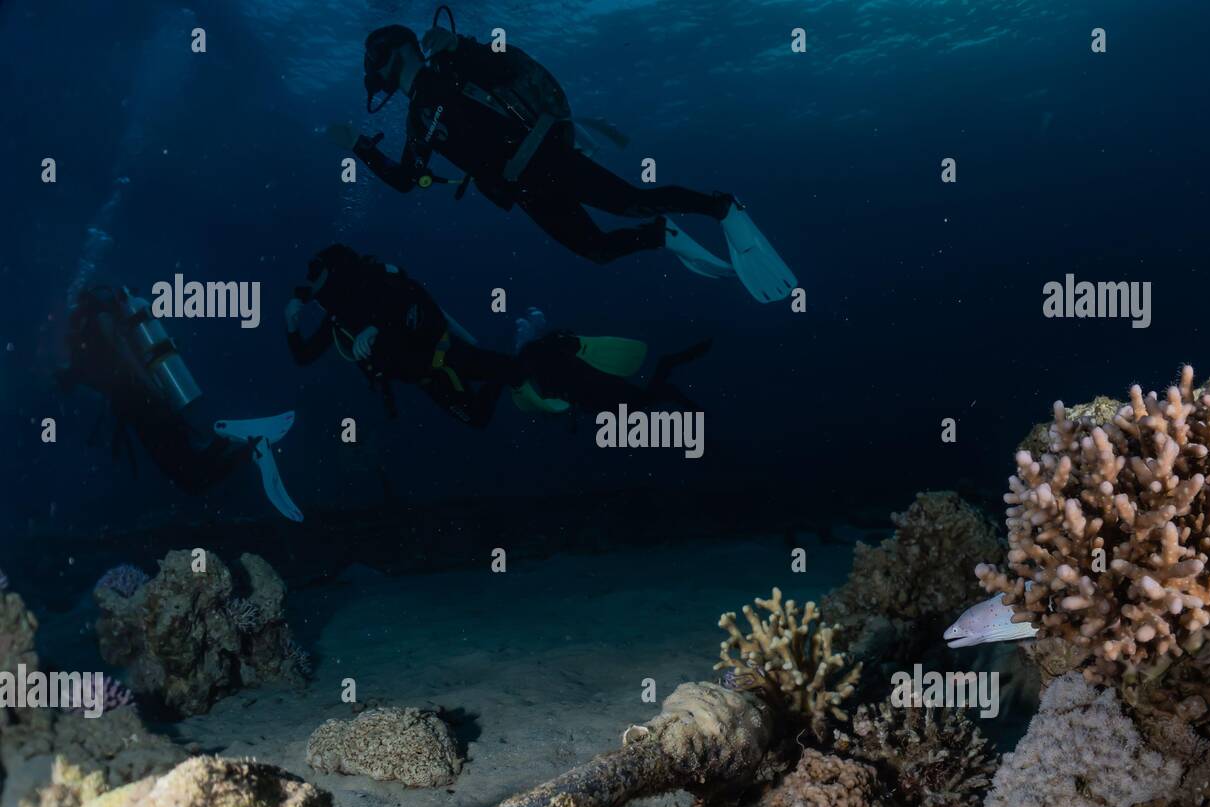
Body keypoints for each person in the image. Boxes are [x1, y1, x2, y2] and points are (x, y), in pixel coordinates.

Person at [327, 12, 797, 303]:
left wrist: (462, 45)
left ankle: (721, 207)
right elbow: (409, 179)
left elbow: (509, 64)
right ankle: (660, 236)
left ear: (397, 50)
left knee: (629, 201)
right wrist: (361, 149)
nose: (371, 69)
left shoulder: (449, 65)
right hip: (523, 190)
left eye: (374, 56)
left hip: (543, 155)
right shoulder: (416, 120)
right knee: (596, 251)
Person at [284, 244, 710, 427]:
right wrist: (291, 325)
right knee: (477, 419)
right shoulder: (337, 318)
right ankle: (528, 363)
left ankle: (545, 350)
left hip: (448, 355)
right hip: (427, 378)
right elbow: (303, 357)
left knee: (518, 372)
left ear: (338, 274)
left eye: (319, 280)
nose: (316, 293)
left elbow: (423, 311)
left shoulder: (382, 283)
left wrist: (380, 326)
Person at [59, 284, 303, 521]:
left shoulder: (99, 321)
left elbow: (126, 358)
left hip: (146, 404)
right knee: (193, 469)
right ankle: (243, 443)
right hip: (145, 405)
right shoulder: (95, 329)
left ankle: (245, 444)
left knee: (191, 478)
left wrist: (154, 389)